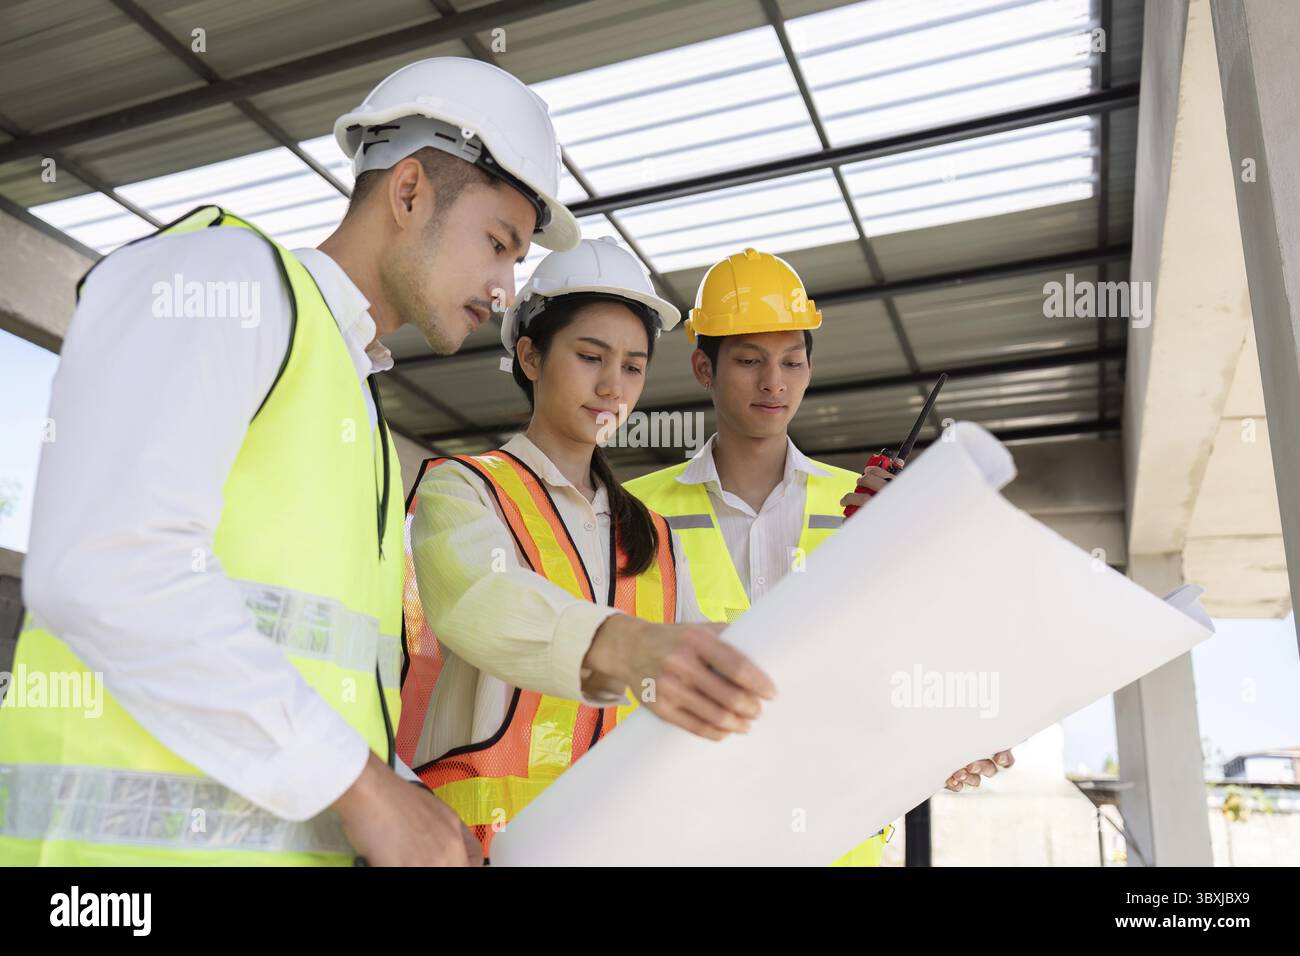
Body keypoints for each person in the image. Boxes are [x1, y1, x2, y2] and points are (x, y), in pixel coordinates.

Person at [0, 56, 578, 867]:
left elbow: (318, 678)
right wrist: (367, 791)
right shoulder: (222, 278)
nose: (503, 288)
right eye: (498, 243)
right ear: (408, 192)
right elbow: (106, 568)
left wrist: (403, 794)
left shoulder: (349, 403)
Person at [626, 248, 1015, 867]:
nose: (773, 382)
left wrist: (952, 737)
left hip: (842, 840)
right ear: (705, 366)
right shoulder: (631, 513)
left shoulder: (874, 507)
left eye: (791, 361)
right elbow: (605, 671)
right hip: (687, 835)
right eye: (749, 361)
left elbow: (907, 657)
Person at [397, 238, 777, 859]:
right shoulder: (465, 490)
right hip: (482, 848)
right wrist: (627, 646)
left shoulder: (655, 537)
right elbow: (481, 604)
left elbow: (707, 676)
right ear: (530, 356)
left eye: (632, 366)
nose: (612, 386)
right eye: (590, 356)